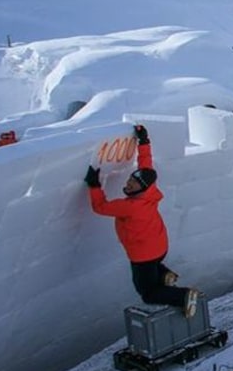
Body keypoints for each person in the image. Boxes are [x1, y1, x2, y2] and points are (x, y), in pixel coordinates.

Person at [85, 125, 201, 317]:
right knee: (153, 269)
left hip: (143, 256)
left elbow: (100, 207)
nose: (128, 184)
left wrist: (94, 185)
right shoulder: (150, 191)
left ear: (141, 188)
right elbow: (145, 166)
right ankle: (164, 274)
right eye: (131, 180)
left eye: (133, 184)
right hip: (159, 247)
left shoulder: (129, 206)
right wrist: (144, 141)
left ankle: (184, 296)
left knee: (148, 293)